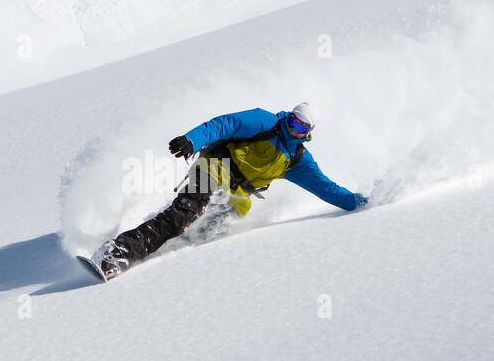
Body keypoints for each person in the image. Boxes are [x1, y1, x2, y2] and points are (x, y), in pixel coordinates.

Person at [90, 102, 367, 279]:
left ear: (308, 132)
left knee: (213, 227)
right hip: (214, 166)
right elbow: (225, 124)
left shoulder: (297, 161)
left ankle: (171, 250)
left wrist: (362, 203)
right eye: (292, 121)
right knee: (185, 213)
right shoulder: (265, 122)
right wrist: (191, 140)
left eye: (299, 127)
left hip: (237, 194)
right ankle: (117, 251)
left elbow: (327, 188)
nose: (292, 128)